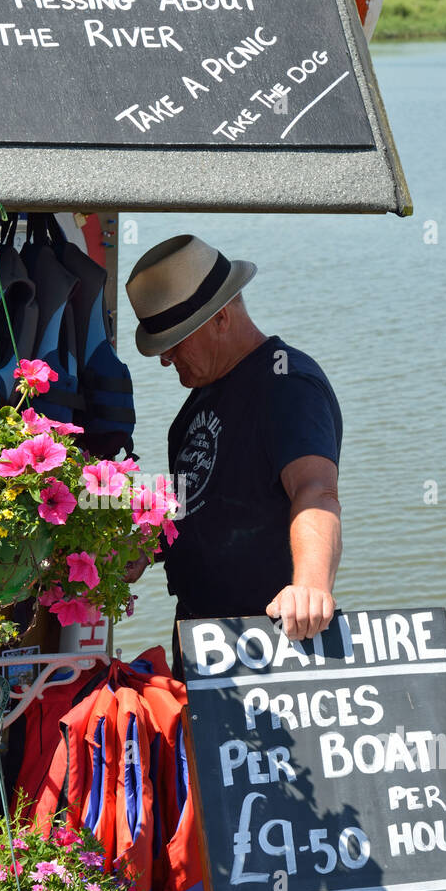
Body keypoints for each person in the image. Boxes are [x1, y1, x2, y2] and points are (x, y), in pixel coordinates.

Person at [125, 233, 343, 677]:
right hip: (201, 642)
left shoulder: (287, 384)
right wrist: (141, 547)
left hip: (272, 643)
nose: (166, 358)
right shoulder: (196, 407)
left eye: (176, 340)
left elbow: (315, 489)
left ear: (221, 317)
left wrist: (310, 586)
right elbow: (196, 505)